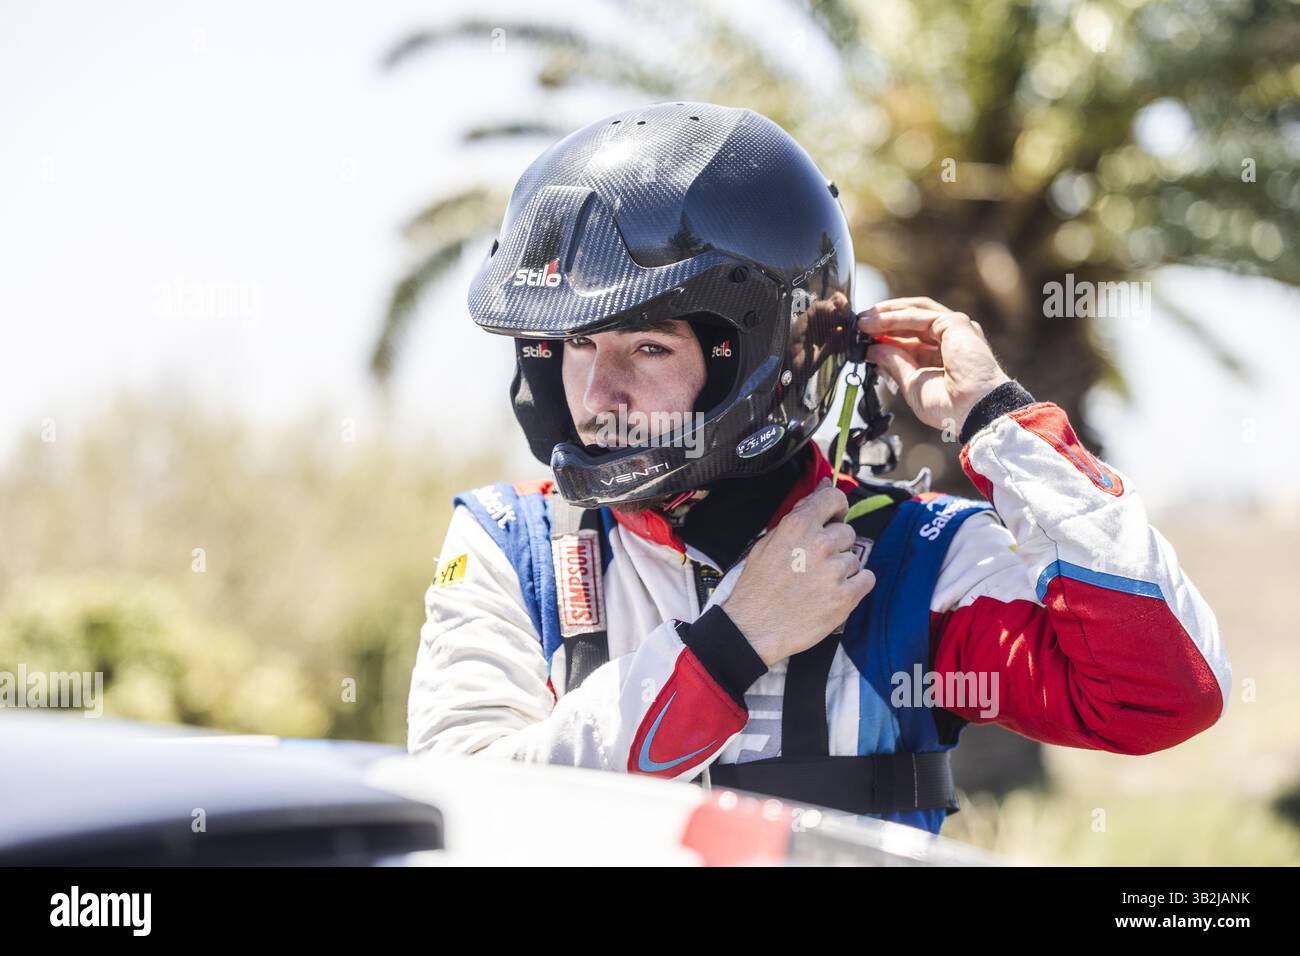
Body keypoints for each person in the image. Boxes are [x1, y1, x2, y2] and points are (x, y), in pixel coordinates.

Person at [406, 102, 1230, 835]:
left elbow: (1163, 692)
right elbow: (467, 806)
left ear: (763, 354)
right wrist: (729, 646)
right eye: (578, 345)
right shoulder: (513, 546)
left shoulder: (917, 561)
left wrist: (1000, 425)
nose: (595, 394)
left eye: (648, 348)